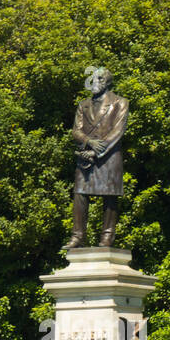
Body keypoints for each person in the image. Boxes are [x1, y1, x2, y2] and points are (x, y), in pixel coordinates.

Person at [67, 68, 129, 249]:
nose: (95, 81)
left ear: (108, 82)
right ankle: (78, 236)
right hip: (86, 157)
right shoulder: (83, 104)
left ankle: (107, 238)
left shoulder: (120, 103)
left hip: (108, 156)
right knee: (79, 193)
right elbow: (76, 130)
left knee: (110, 197)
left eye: (100, 78)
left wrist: (96, 150)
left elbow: (118, 131)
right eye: (93, 78)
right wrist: (88, 141)